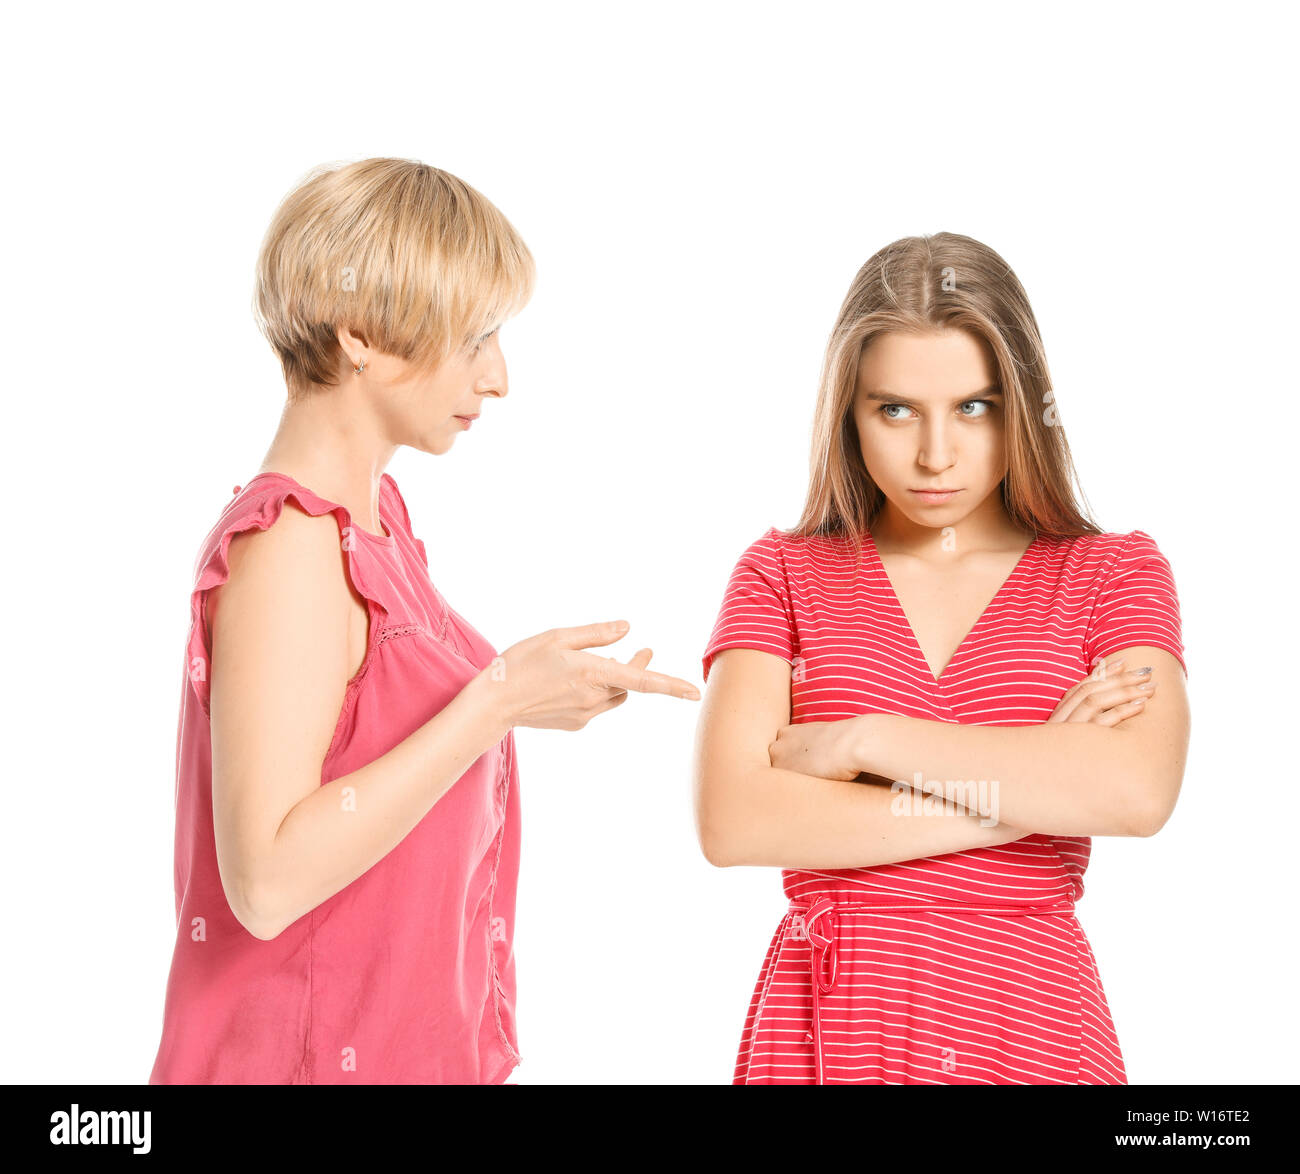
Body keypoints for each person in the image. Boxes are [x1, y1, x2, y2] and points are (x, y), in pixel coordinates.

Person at [149, 157, 700, 1084]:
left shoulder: (378, 522)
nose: (500, 375)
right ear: (360, 331)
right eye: (476, 333)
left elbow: (371, 739)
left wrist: (524, 700)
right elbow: (268, 882)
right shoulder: (291, 549)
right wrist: (491, 702)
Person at [694, 231, 1190, 1084]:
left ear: (1026, 406)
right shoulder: (782, 572)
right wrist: (1019, 800)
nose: (934, 455)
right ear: (846, 412)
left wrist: (864, 742)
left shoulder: (1113, 572)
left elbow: (1135, 793)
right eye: (894, 409)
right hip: (832, 1023)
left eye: (974, 407)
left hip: (1030, 1027)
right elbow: (734, 821)